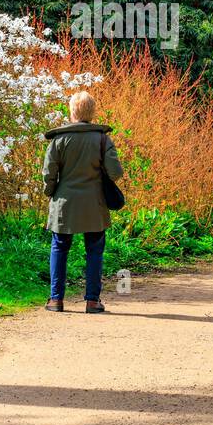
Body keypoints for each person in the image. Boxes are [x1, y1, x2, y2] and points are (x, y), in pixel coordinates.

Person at [42, 91, 124, 313]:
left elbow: (49, 173)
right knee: (94, 250)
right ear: (92, 112)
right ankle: (92, 301)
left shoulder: (58, 140)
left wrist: (50, 192)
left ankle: (56, 300)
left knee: (59, 248)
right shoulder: (102, 139)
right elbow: (115, 172)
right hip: (94, 204)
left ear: (72, 112)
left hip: (64, 204)